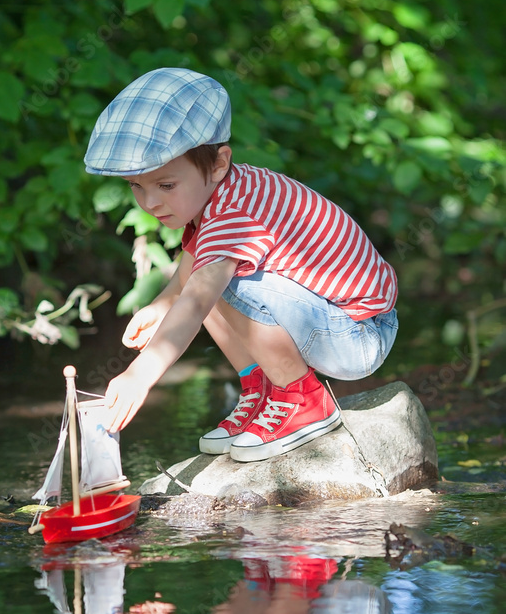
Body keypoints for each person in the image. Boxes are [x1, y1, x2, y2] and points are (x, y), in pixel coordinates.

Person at [84, 67, 398, 461]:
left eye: (165, 186)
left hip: (359, 333)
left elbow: (198, 298)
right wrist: (161, 305)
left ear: (218, 163)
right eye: (137, 187)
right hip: (330, 320)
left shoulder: (236, 212)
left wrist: (139, 376)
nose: (150, 203)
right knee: (211, 278)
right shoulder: (219, 195)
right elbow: (192, 266)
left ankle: (304, 401)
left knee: (223, 284)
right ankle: (264, 388)